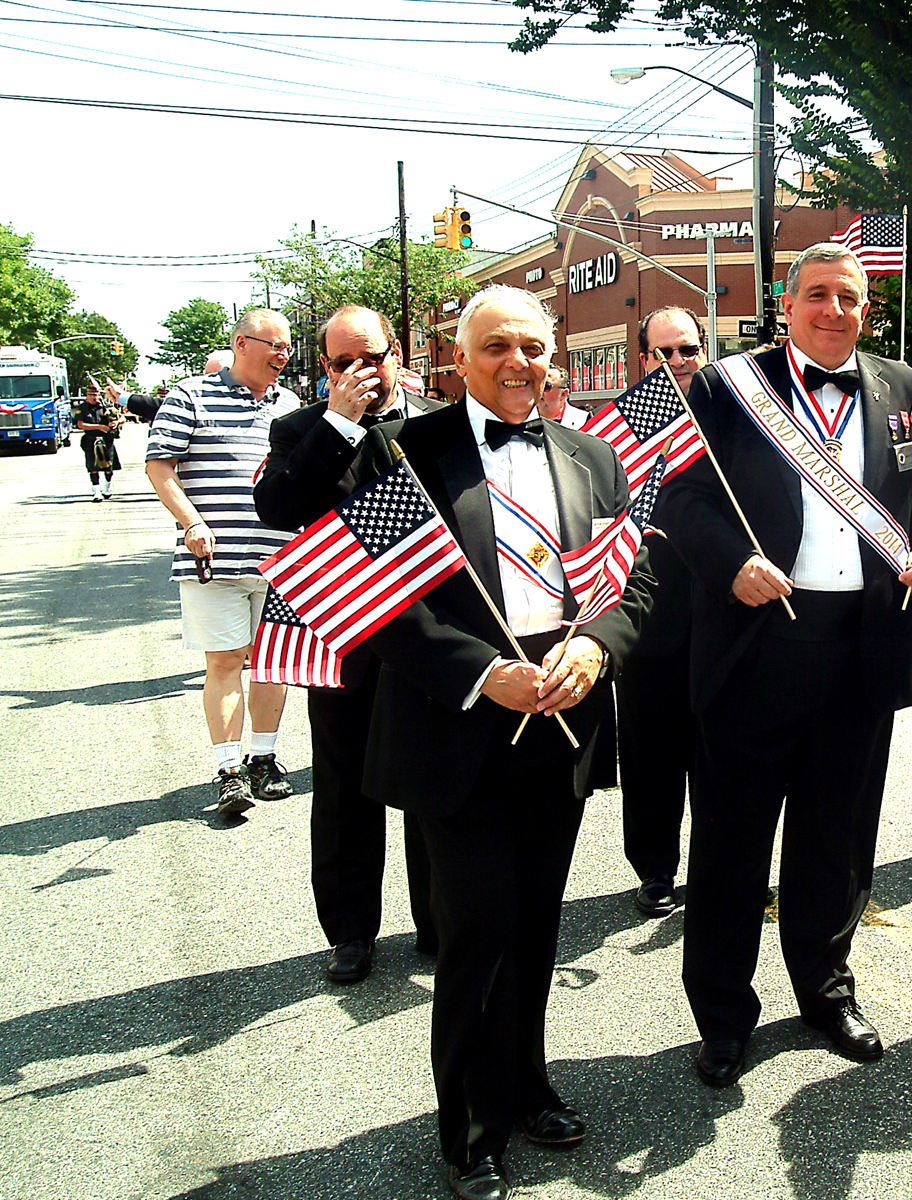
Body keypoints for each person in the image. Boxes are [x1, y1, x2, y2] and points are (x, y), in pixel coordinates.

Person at [349, 285, 647, 1200]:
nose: (518, 363)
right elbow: (382, 603)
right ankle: (469, 1130)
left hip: (561, 724)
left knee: (537, 924)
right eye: (497, 348)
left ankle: (526, 1084)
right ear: (459, 356)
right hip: (461, 728)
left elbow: (635, 586)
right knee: (477, 929)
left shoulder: (593, 456)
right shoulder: (406, 453)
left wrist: (596, 647)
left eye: (531, 346)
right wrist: (484, 674)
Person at [658, 243, 912, 1087]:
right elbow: (675, 494)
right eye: (817, 295)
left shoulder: (903, 390)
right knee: (732, 849)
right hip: (757, 643)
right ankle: (723, 1014)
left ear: (868, 308)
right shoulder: (725, 385)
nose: (834, 310)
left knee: (836, 843)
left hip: (860, 646)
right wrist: (728, 566)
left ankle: (825, 990)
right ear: (786, 305)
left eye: (850, 297)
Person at [253, 305, 437, 985]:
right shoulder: (300, 428)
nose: (362, 372)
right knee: (344, 793)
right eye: (343, 362)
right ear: (324, 367)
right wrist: (337, 423)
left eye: (373, 357)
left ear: (397, 354)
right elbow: (278, 506)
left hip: (429, 639)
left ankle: (438, 923)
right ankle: (351, 934)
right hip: (345, 637)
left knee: (432, 786)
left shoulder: (439, 420)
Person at [145, 310, 300, 819]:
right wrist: (191, 522)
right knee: (226, 661)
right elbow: (159, 465)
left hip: (280, 558)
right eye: (274, 345)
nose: (283, 355)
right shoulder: (190, 396)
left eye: (288, 347)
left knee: (273, 665)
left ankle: (264, 756)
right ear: (241, 343)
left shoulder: (289, 404)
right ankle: (229, 770)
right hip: (212, 559)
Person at [619, 306, 709, 917]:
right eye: (666, 353)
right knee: (651, 755)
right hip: (648, 612)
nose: (679, 363)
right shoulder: (624, 426)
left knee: (720, 752)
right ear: (645, 359)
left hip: (724, 614)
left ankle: (716, 863)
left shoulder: (738, 410)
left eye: (689, 349)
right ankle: (654, 869)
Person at [75, 385, 122, 501]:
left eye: (95, 395)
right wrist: (99, 427)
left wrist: (116, 423)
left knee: (108, 466)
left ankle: (107, 486)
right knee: (93, 467)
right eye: (90, 395)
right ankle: (96, 492)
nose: (93, 397)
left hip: (106, 439)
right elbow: (80, 425)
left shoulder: (106, 407)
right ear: (86, 396)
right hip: (91, 439)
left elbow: (122, 418)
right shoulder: (83, 408)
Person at [536, 365, 588, 429]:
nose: (539, 391)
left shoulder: (584, 421)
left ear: (563, 394)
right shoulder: (521, 420)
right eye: (536, 385)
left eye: (545, 386)